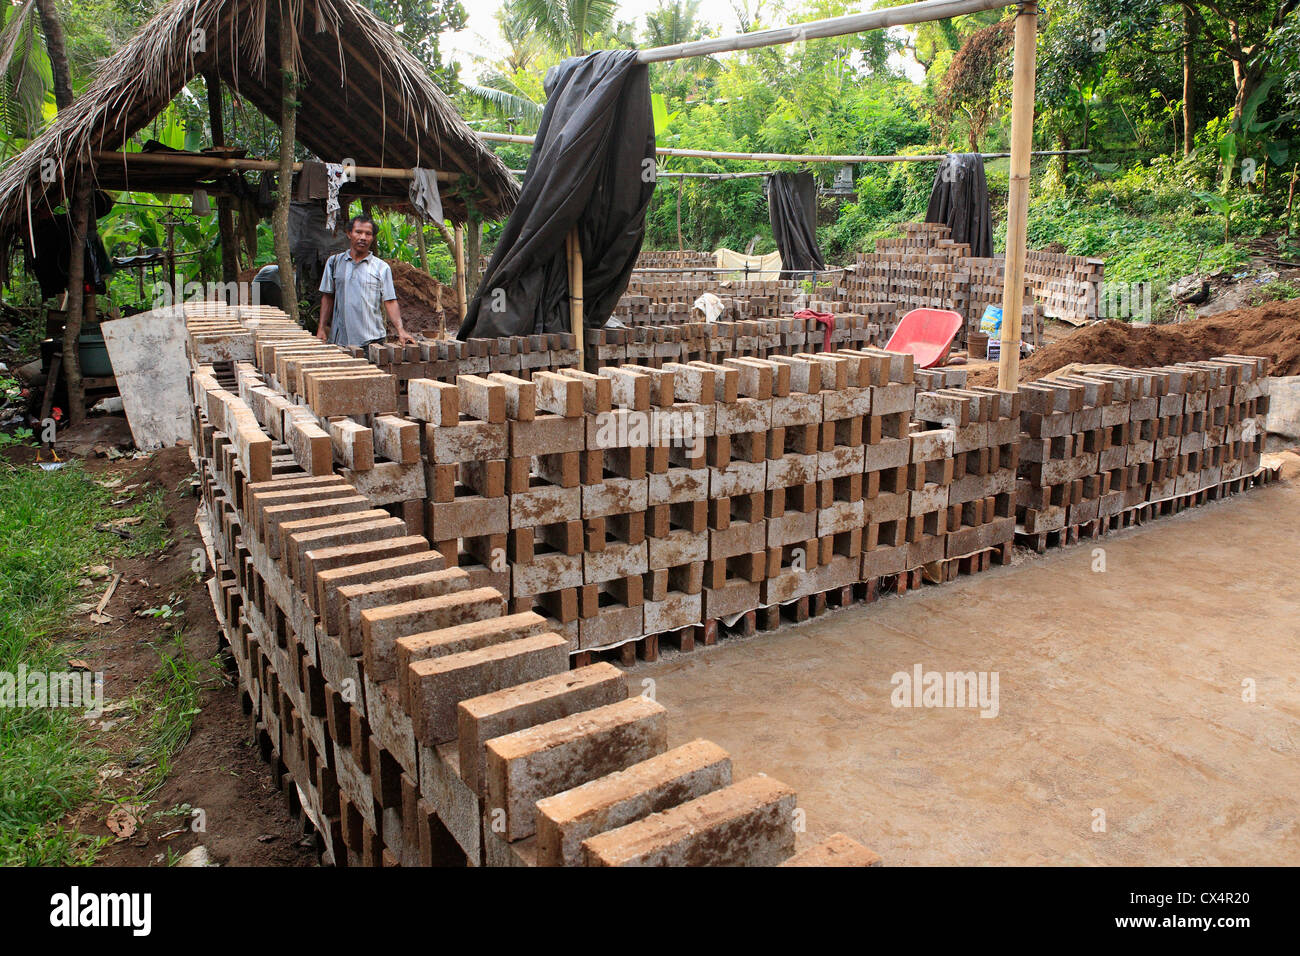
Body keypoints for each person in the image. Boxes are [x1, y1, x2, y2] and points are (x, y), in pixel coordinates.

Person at [317, 214, 415, 347]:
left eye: (368, 234)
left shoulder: (381, 267)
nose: (363, 237)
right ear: (349, 233)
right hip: (340, 340)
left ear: (373, 238)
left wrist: (400, 330)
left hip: (372, 341)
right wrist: (321, 328)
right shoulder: (334, 263)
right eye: (358, 232)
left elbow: (390, 301)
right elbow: (327, 297)